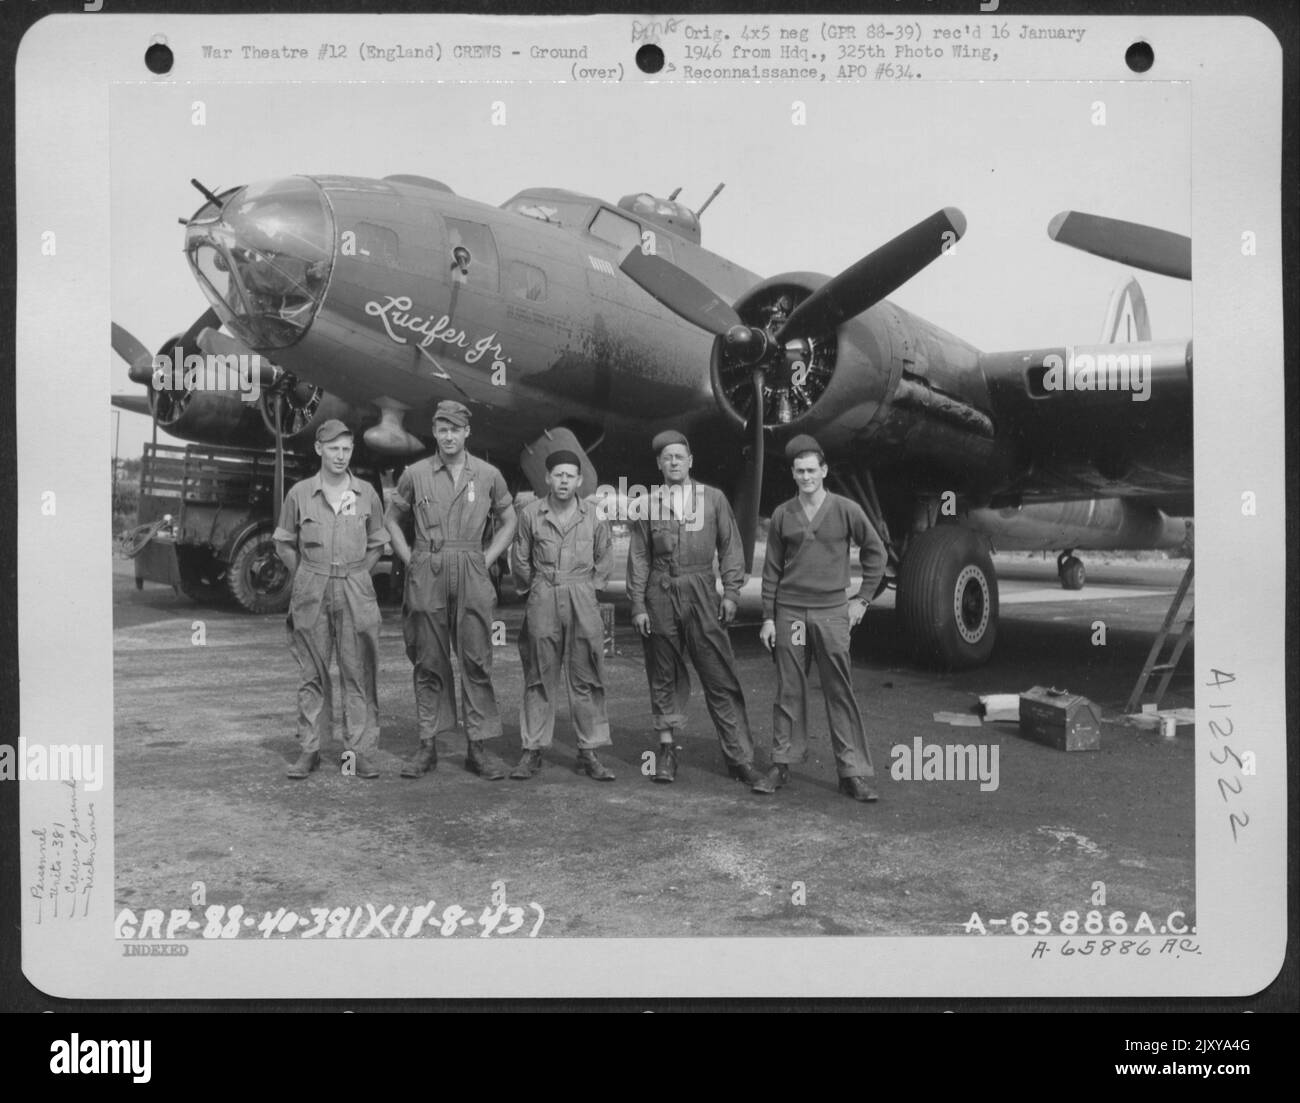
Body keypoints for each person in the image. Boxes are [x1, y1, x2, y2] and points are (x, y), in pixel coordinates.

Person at [385, 400, 516, 780]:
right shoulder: (416, 473)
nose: (448, 436)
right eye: (441, 430)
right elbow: (392, 518)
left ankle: (478, 748)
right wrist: (412, 559)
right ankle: (427, 746)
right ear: (435, 432)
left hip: (471, 569)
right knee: (428, 660)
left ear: (466, 432)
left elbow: (509, 519)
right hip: (429, 567)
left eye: (454, 429)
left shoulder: (489, 475)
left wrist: (486, 559)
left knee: (476, 659)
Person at [626, 430, 765, 788]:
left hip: (701, 589)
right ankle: (668, 751)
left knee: (719, 674)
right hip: (660, 592)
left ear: (691, 461)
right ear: (659, 464)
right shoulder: (648, 504)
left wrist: (732, 593)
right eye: (667, 457)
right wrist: (638, 604)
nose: (673, 462)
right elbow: (639, 557)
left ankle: (740, 757)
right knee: (663, 675)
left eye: (679, 456)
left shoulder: (713, 499)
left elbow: (731, 547)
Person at [756, 435, 888, 801]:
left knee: (838, 690)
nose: (805, 476)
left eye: (812, 470)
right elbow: (771, 571)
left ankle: (853, 772)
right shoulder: (783, 514)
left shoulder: (846, 509)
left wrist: (862, 599)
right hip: (792, 613)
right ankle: (781, 764)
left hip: (832, 613)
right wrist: (769, 617)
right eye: (799, 471)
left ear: (824, 471)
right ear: (793, 473)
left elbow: (876, 552)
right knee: (789, 689)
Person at [274, 419, 388, 780]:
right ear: (319, 449)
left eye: (347, 449)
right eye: (334, 448)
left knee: (358, 672)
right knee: (312, 673)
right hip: (313, 589)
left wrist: (357, 576)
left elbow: (377, 544)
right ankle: (309, 750)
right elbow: (283, 541)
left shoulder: (367, 493)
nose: (341, 456)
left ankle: (357, 752)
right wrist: (309, 576)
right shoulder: (300, 493)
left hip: (355, 587)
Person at [511, 449, 616, 781]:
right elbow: (520, 559)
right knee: (538, 674)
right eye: (558, 474)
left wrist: (587, 589)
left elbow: (605, 559)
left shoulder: (594, 516)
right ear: (547, 478)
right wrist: (538, 589)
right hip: (543, 592)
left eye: (570, 475)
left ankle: (589, 751)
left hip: (582, 595)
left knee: (586, 674)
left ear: (580, 480)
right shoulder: (530, 514)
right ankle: (532, 749)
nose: (564, 480)